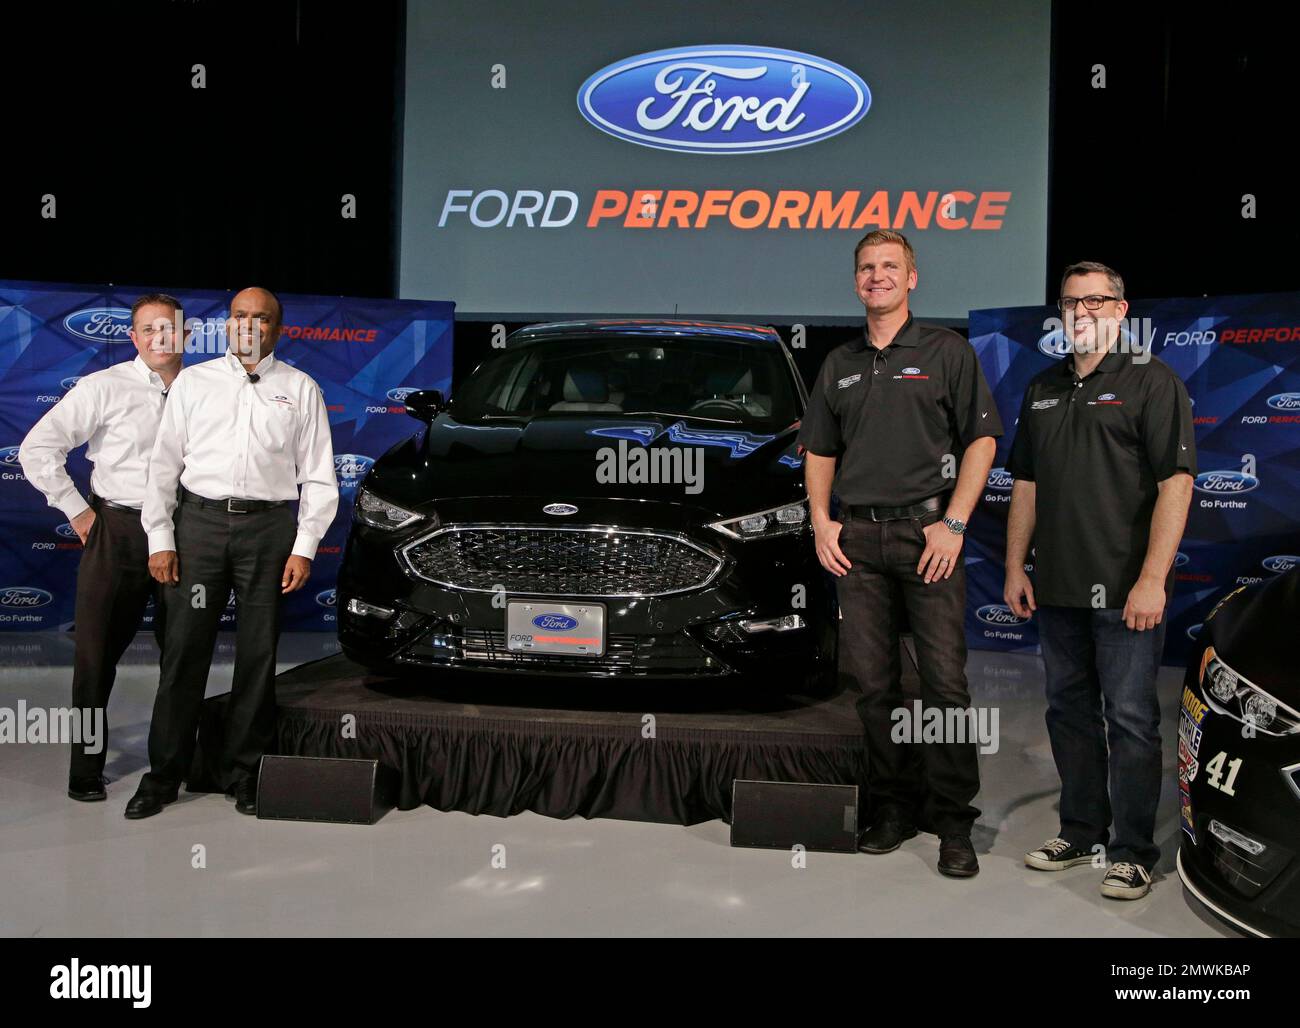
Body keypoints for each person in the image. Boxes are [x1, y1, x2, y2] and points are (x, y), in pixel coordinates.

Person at [800, 230, 1001, 877]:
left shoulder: (947, 352)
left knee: (945, 687)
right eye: (867, 267)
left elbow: (982, 442)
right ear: (856, 280)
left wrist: (955, 523)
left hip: (929, 541)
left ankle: (953, 824)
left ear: (912, 277)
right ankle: (891, 808)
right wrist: (821, 523)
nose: (877, 276)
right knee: (876, 688)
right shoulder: (839, 362)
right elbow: (820, 452)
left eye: (890, 266)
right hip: (857, 544)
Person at [1005, 261, 1195, 900]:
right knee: (1068, 712)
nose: (1081, 312)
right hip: (1057, 587)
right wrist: (1014, 566)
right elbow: (1025, 486)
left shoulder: (1152, 382)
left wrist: (1152, 579)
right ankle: (1081, 829)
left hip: (1125, 591)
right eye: (1070, 302)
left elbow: (1177, 483)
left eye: (1094, 301)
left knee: (1134, 719)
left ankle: (1133, 851)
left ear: (1120, 308)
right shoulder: (1041, 387)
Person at [126, 286, 338, 819]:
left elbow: (318, 476)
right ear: (227, 324)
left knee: (258, 656)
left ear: (276, 328)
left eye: (261, 318)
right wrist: (161, 539)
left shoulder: (300, 388)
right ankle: (164, 775)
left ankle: (245, 772)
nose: (249, 325)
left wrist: (304, 545)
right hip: (197, 526)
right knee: (183, 652)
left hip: (268, 532)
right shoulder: (195, 383)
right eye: (240, 315)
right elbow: (162, 468)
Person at [19, 294, 185, 801]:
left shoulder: (206, 390)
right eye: (148, 329)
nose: (160, 337)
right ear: (134, 338)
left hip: (186, 532)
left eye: (169, 328)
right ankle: (85, 771)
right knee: (95, 659)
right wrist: (78, 511)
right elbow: (36, 448)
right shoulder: (102, 387)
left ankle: (174, 763)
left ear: (184, 335)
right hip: (118, 530)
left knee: (182, 655)